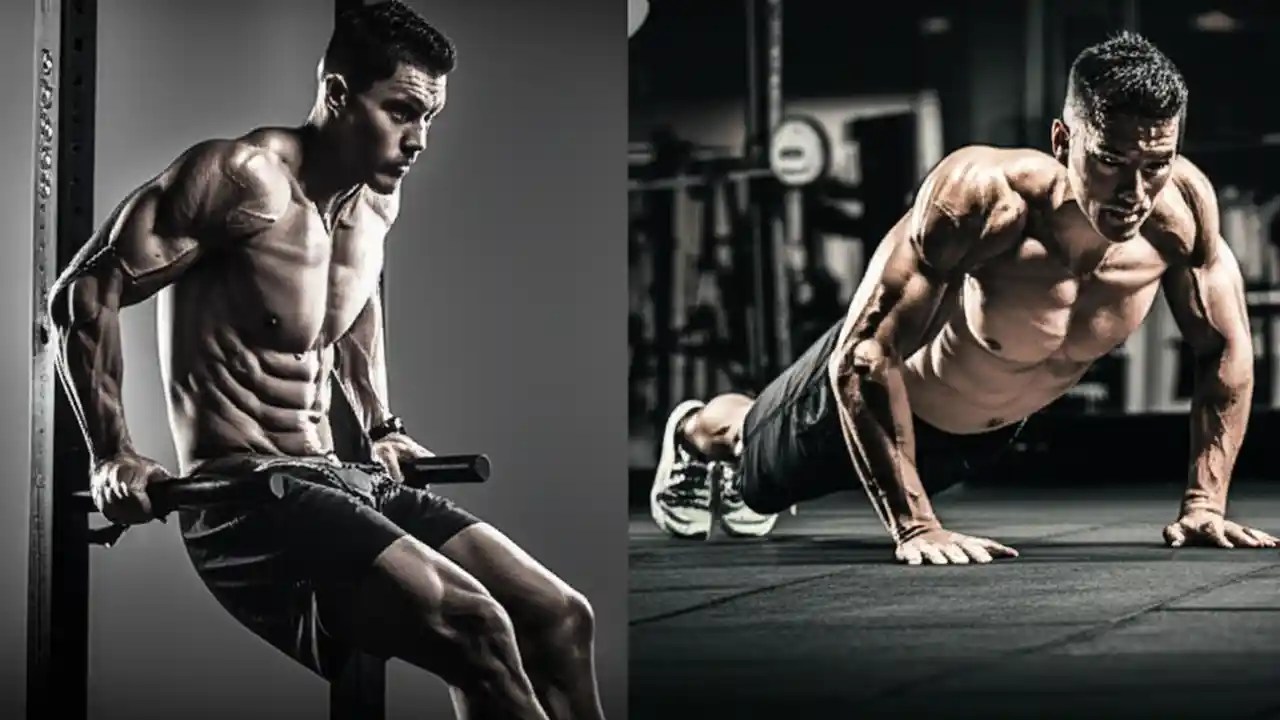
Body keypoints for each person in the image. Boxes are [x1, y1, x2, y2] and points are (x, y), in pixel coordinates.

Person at [47, 3, 605, 718]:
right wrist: (110, 454)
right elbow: (85, 292)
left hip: (338, 481)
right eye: (402, 111)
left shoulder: (375, 199)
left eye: (429, 117)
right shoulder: (243, 179)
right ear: (338, 94)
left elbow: (350, 306)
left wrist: (381, 425)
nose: (420, 138)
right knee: (476, 626)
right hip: (247, 497)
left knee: (561, 618)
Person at [650, 31, 1278, 565]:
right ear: (1063, 142)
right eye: (1111, 160)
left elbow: (1224, 352)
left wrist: (1203, 505)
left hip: (973, 439)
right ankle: (696, 431)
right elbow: (865, 356)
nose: (1135, 190)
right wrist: (916, 527)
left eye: (1156, 163)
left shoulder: (1183, 215)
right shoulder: (984, 200)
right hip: (865, 399)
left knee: (778, 487)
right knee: (755, 467)